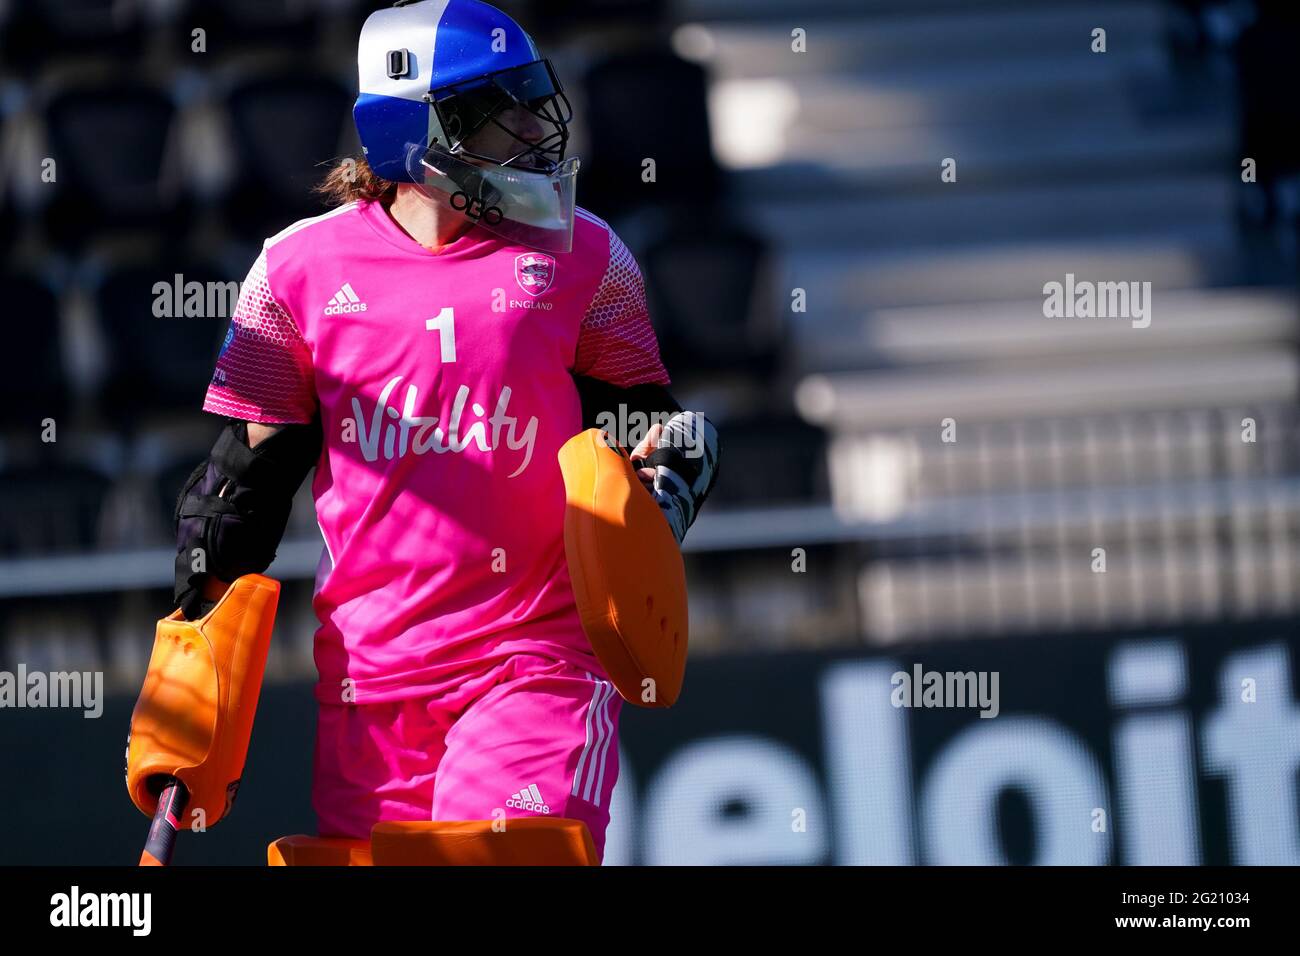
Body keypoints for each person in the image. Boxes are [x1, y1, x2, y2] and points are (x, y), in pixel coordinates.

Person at [171, 0, 719, 861]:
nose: (535, 127)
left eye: (534, 100)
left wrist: (671, 474)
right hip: (367, 689)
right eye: (498, 109)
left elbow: (645, 428)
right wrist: (190, 663)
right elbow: (242, 488)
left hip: (535, 660)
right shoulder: (290, 274)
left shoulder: (589, 257)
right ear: (410, 132)